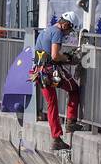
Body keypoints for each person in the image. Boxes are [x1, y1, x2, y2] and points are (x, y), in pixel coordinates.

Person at [32, 8, 83, 150]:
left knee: (52, 104)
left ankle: (56, 138)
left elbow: (45, 53)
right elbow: (54, 56)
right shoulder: (57, 33)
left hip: (40, 73)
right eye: (69, 30)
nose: (68, 34)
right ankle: (71, 121)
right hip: (51, 74)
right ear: (66, 25)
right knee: (74, 88)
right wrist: (68, 58)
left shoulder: (46, 31)